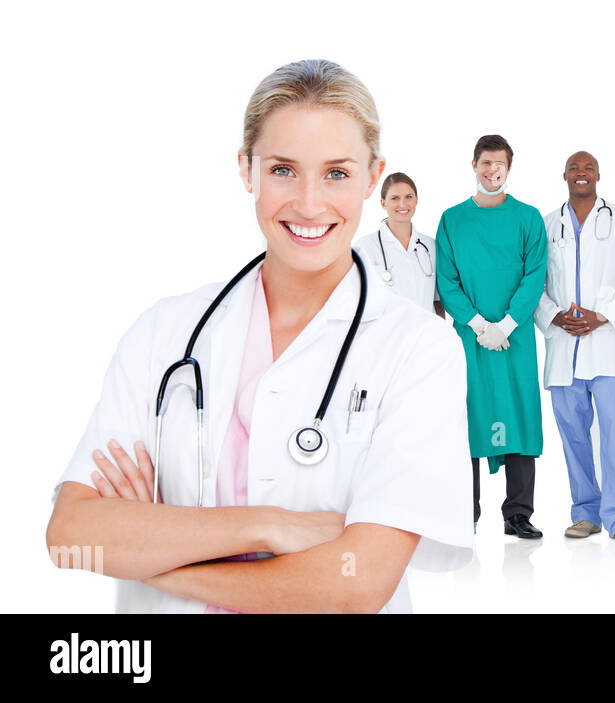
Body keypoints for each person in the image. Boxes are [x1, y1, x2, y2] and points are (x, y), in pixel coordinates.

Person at [44, 59, 473, 613]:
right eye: (283, 170)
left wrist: (157, 558)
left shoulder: (418, 350)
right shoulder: (165, 333)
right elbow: (73, 536)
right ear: (247, 169)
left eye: (337, 173)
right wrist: (265, 528)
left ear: (373, 177)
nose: (310, 202)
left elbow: (359, 582)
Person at [435, 135, 547, 539]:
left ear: (509, 168)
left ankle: (518, 513)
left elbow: (535, 275)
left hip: (515, 341)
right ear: (474, 165)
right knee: (470, 417)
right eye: (486, 163)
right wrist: (481, 325)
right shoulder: (452, 220)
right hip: (470, 340)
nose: (492, 170)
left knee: (520, 416)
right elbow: (447, 281)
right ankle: (466, 511)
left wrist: (508, 325)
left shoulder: (528, 218)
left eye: (499, 164)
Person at [535, 151, 615, 543]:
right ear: (564, 174)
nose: (581, 174)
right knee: (574, 435)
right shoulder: (546, 225)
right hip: (563, 349)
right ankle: (586, 512)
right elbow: (535, 284)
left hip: (607, 348)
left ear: (599, 174)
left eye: (589, 168)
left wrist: (601, 316)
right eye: (575, 168)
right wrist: (554, 316)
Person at [353, 172, 445, 317]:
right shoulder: (364, 247)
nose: (402, 204)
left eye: (408, 197)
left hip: (425, 335)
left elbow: (437, 301)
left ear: (416, 200)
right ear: (383, 203)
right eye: (395, 198)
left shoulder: (430, 246)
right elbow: (355, 300)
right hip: (386, 336)